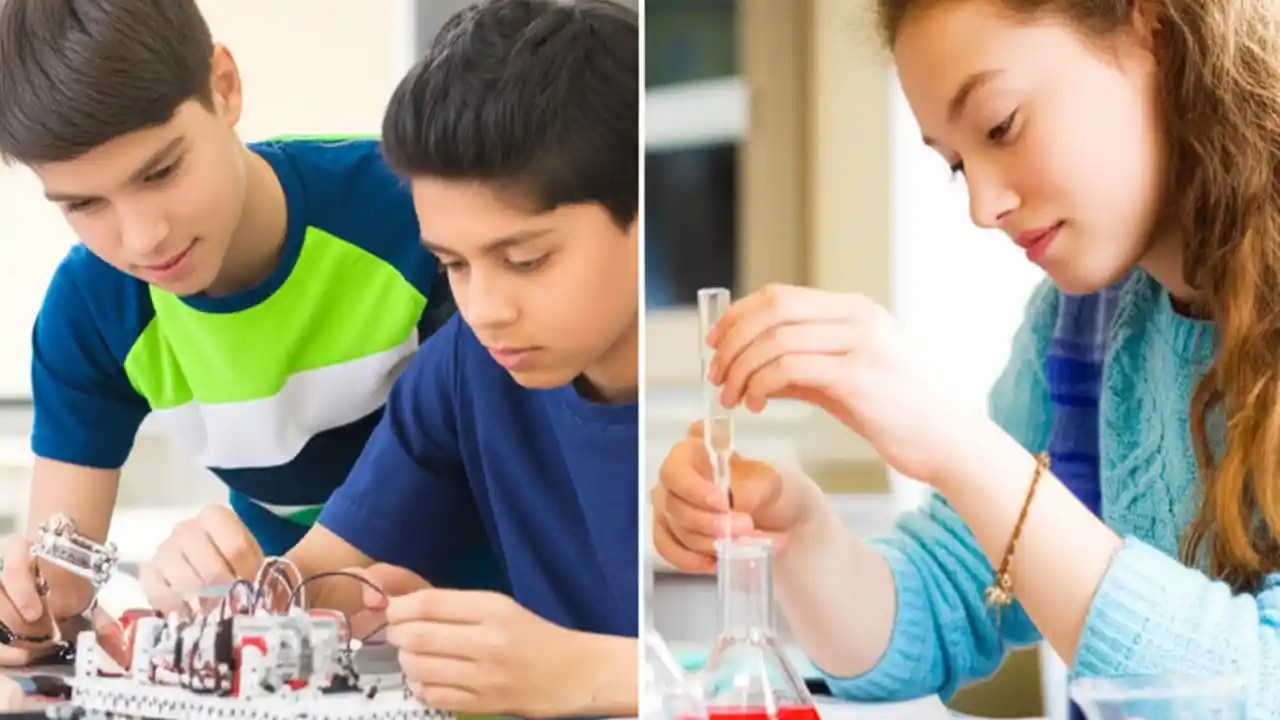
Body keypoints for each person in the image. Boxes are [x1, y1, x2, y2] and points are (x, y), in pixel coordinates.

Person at [653, 0, 1280, 714]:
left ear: (1154, 32)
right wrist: (796, 531)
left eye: (1000, 125)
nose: (982, 205)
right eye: (956, 164)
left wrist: (957, 443)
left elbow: (1254, 690)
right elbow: (943, 603)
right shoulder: (1084, 326)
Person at [142, 0, 640, 716]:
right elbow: (328, 577)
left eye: (526, 259)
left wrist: (580, 672)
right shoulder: (466, 368)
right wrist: (230, 586)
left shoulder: (712, 406)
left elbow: (759, 668)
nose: (485, 309)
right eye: (454, 265)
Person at [0, 0, 481, 665]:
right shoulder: (90, 310)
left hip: (498, 629)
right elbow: (59, 583)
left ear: (224, 86)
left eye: (161, 171)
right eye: (84, 204)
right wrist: (25, 614)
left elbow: (483, 459)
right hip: (291, 658)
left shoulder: (417, 215)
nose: (144, 238)